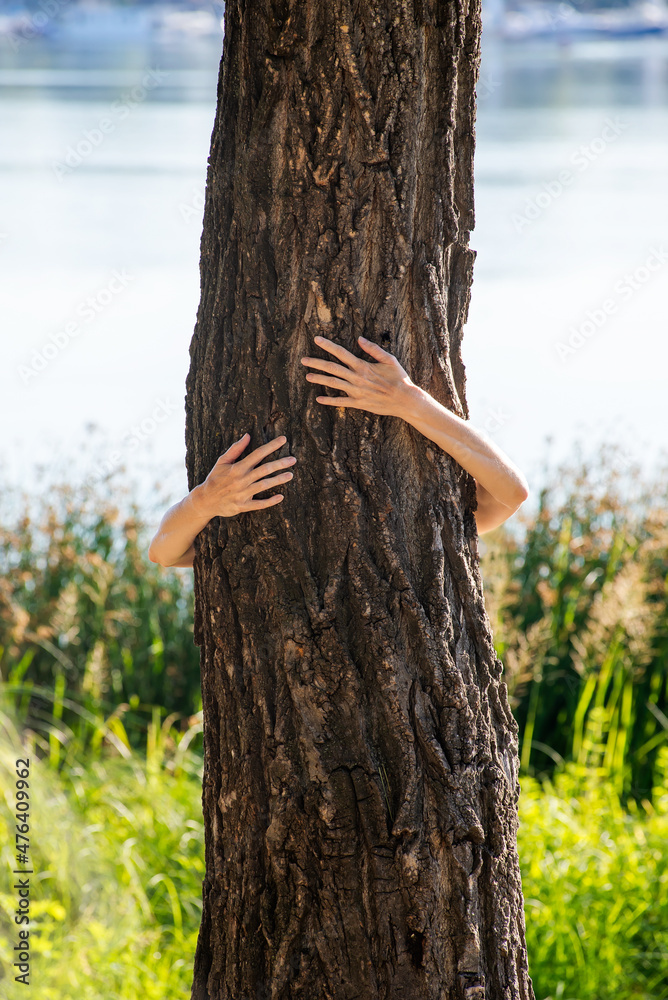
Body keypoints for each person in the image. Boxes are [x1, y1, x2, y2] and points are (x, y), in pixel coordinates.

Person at [148, 334, 529, 567]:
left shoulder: (427, 517)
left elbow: (512, 491)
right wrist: (204, 501)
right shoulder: (261, 522)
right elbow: (164, 553)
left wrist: (409, 401)